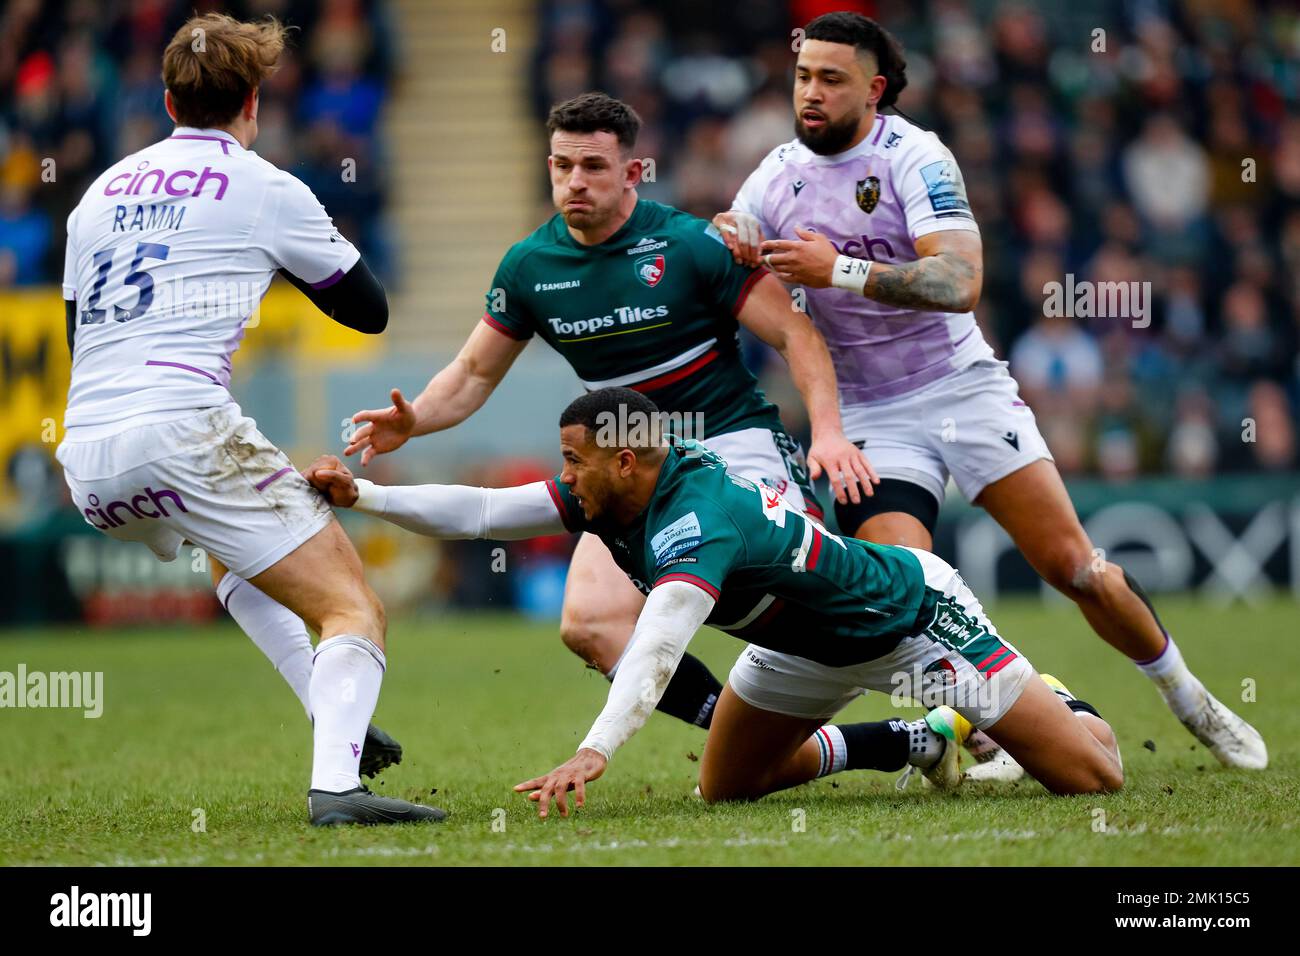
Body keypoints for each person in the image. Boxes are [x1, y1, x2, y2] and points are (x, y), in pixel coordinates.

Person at [713, 12, 1265, 775]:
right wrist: (729, 235)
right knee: (905, 603)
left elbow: (959, 282)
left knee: (1076, 568)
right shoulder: (776, 174)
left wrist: (837, 269)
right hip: (872, 415)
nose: (811, 92)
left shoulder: (916, 157)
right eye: (804, 76)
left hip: (962, 390)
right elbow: (729, 231)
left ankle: (1190, 700)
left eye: (831, 80)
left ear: (873, 91)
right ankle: (1037, 713)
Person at [305, 387, 1124, 819]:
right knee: (728, 789)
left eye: (574, 460)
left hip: (908, 624)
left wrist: (595, 750)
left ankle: (1053, 699)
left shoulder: (697, 520)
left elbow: (659, 644)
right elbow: (483, 513)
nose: (564, 474)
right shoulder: (616, 491)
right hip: (800, 650)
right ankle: (923, 736)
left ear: (627, 462)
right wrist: (364, 496)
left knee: (1093, 777)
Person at [343, 91, 874, 733]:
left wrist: (829, 432)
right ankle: (759, 738)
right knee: (590, 623)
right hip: (630, 466)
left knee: (813, 610)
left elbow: (796, 334)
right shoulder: (531, 266)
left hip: (731, 444)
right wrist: (415, 418)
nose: (575, 182)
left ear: (631, 172)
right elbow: (474, 372)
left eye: (593, 166)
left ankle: (977, 705)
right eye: (563, 166)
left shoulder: (691, 245)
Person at [55, 13, 440, 825]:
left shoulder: (94, 197)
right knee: (351, 608)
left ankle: (333, 713)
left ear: (166, 100)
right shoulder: (266, 186)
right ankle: (337, 788)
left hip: (86, 455)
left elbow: (76, 334)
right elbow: (367, 310)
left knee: (231, 551)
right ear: (256, 100)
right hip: (181, 426)